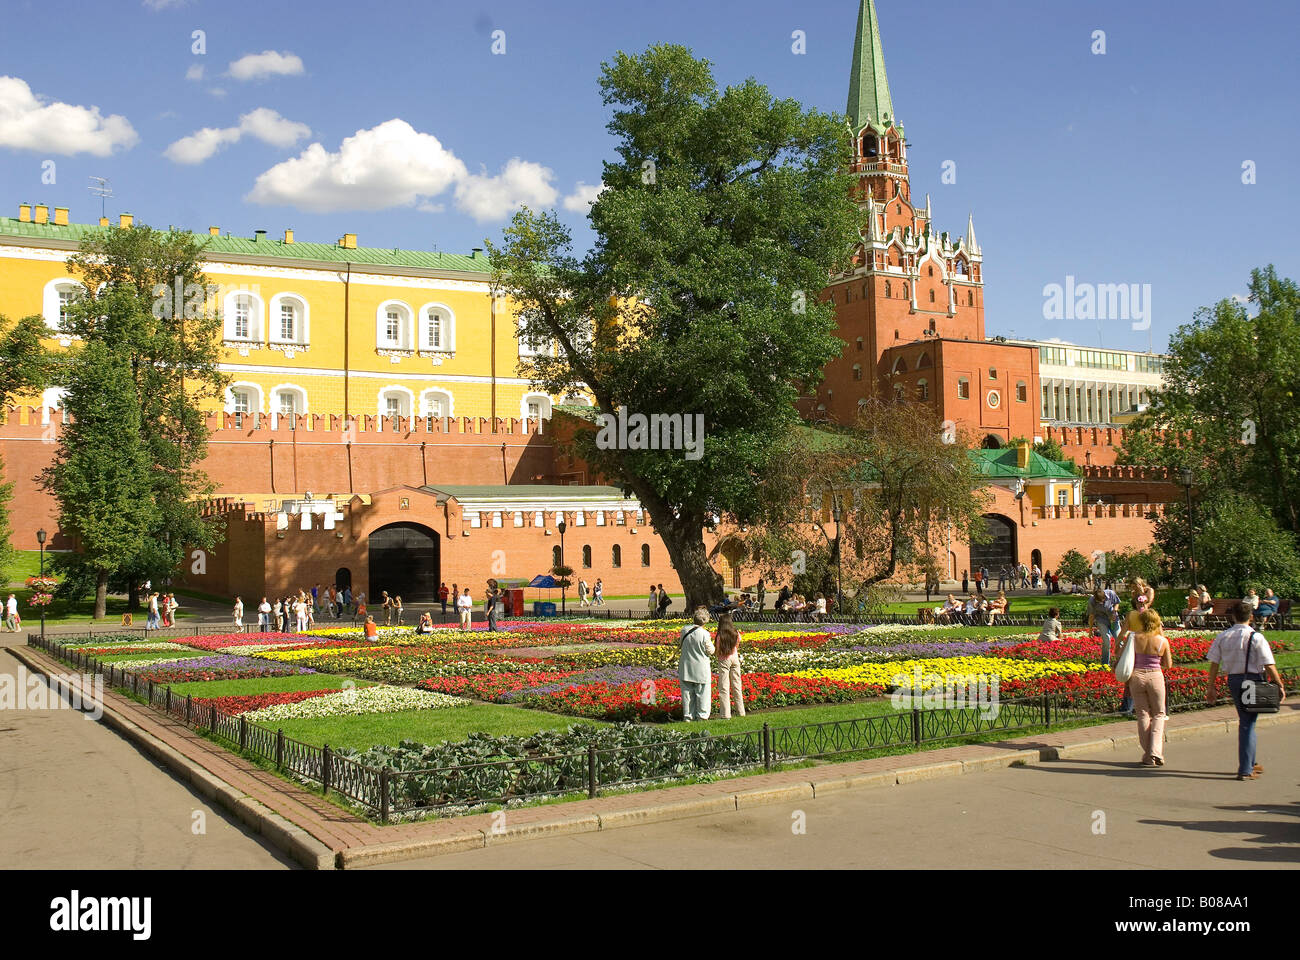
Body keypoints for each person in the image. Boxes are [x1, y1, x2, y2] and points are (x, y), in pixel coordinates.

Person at [1206, 601, 1286, 780]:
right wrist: (1279, 684)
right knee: (1247, 723)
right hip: (1253, 679)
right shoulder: (1256, 637)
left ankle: (1251, 761)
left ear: (1233, 616)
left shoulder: (1223, 636)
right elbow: (1269, 664)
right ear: (1251, 617)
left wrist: (1210, 686)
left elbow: (1213, 663)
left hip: (1234, 680)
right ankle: (1245, 768)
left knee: (1248, 720)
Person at [1129, 608, 1173, 767]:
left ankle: (1148, 755)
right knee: (1159, 714)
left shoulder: (1134, 638)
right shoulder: (1162, 641)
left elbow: (1123, 655)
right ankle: (1155, 751)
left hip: (1137, 676)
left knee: (1142, 714)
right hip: (1155, 675)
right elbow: (1168, 664)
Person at [677, 607, 715, 722]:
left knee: (687, 694)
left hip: (686, 666)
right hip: (700, 667)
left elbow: (681, 644)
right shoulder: (705, 634)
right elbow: (711, 651)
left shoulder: (684, 630)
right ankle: (702, 716)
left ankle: (688, 716)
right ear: (705, 620)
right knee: (702, 692)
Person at [715, 613, 745, 719]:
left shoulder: (720, 636)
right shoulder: (735, 633)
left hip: (724, 660)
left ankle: (725, 714)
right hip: (735, 658)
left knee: (724, 687)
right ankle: (741, 711)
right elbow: (737, 645)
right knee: (737, 685)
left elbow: (717, 650)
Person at [1087, 586, 1121, 666]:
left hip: (1113, 619)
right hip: (1101, 620)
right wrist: (1090, 630)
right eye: (1099, 602)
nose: (1101, 602)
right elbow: (1091, 616)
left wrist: (1114, 610)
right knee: (1106, 640)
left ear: (1105, 596)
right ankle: (1105, 663)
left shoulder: (1111, 593)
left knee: (1119, 639)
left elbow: (1117, 602)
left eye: (1103, 600)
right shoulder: (1091, 601)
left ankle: (1121, 660)